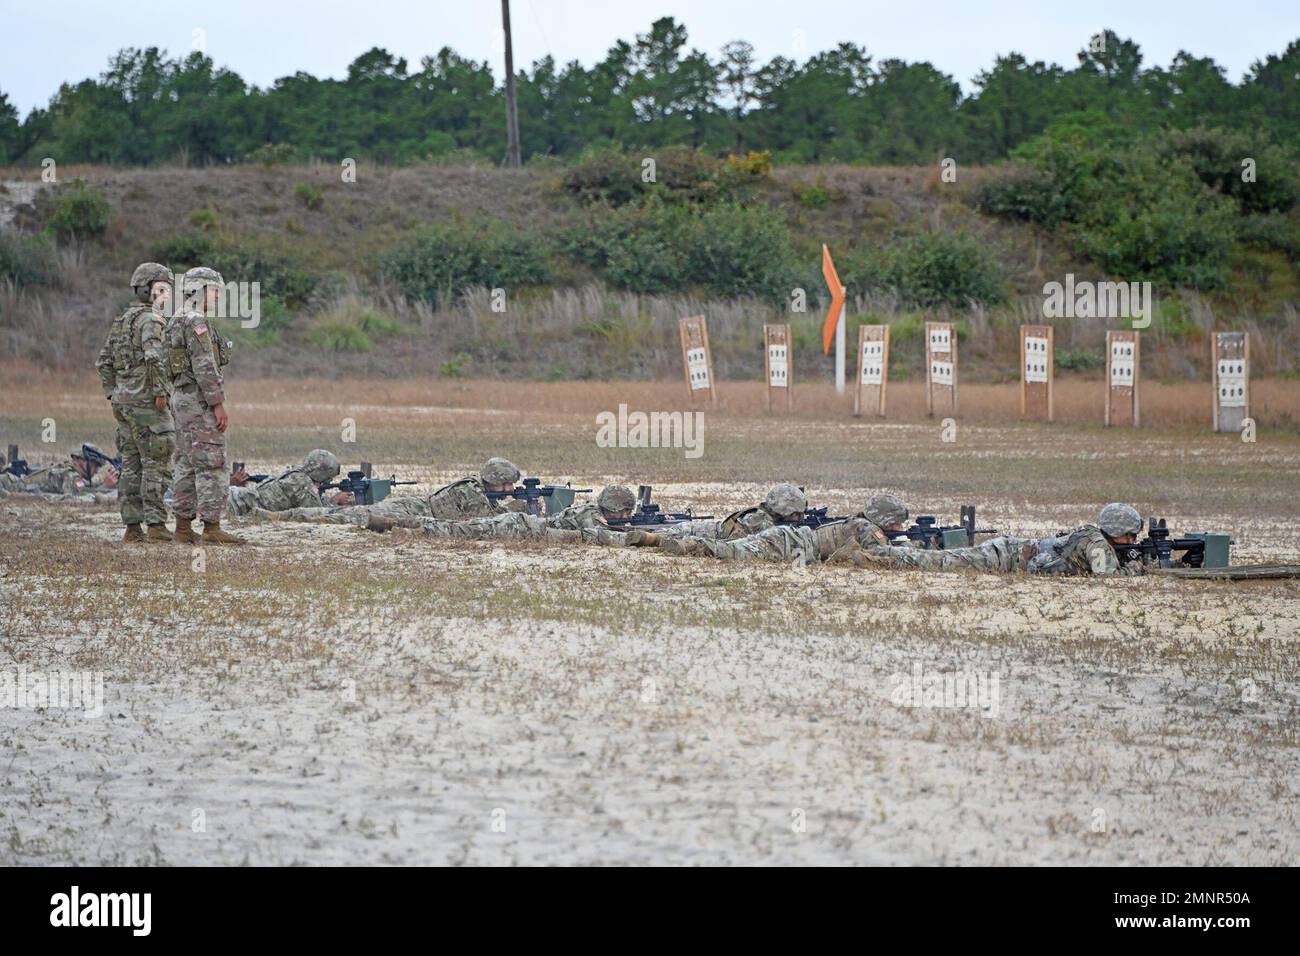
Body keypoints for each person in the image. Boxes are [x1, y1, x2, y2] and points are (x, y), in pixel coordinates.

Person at [94, 262, 176, 542]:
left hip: (123, 404)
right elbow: (154, 357)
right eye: (162, 289)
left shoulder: (122, 321)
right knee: (157, 461)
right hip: (148, 405)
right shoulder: (151, 320)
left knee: (131, 464)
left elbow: (103, 362)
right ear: (147, 290)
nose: (166, 295)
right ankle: (155, 525)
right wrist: (160, 390)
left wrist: (113, 392)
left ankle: (132, 527)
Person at [166, 267, 242, 544]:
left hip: (181, 398)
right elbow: (204, 366)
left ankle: (183, 528)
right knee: (211, 462)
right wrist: (217, 404)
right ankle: (212, 528)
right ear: (200, 290)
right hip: (198, 400)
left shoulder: (175, 319)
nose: (219, 296)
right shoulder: (196, 321)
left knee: (186, 463)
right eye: (215, 290)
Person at [254, 457, 526, 527]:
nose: (510, 490)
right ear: (494, 481)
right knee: (351, 516)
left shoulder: (477, 489)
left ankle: (288, 516)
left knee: (353, 514)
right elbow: (484, 521)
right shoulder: (471, 491)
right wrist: (519, 508)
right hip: (411, 509)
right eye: (506, 485)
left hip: (414, 508)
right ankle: (284, 516)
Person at [626, 483, 805, 547]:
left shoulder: (764, 516)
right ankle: (607, 535)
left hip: (703, 531)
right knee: (640, 535)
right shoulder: (760, 521)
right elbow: (737, 544)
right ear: (784, 511)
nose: (798, 519)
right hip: (696, 532)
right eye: (795, 514)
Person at [227, 450, 346, 516]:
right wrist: (334, 501)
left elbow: (313, 498)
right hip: (234, 504)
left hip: (235, 496)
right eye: (328, 477)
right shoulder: (302, 483)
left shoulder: (296, 473)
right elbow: (316, 513)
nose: (329, 481)